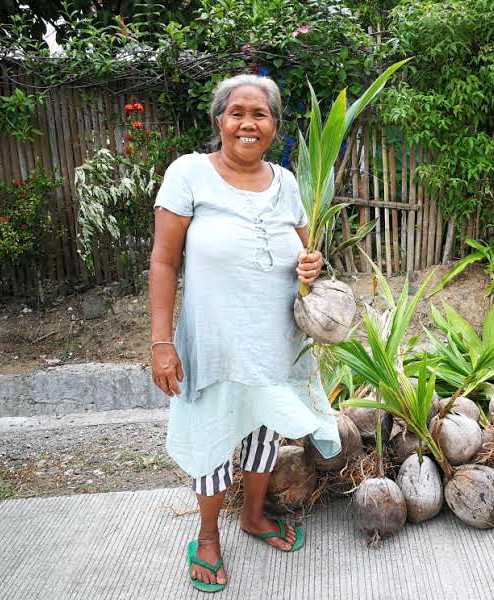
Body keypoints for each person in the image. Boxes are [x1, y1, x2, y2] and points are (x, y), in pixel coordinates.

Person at [148, 74, 341, 593]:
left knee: (263, 432)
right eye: (237, 112)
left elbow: (306, 254)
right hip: (213, 346)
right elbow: (164, 262)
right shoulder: (189, 173)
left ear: (274, 125)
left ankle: (253, 516)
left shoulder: (286, 182)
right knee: (211, 436)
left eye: (260, 114)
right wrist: (162, 343)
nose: (248, 123)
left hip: (273, 342)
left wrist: (311, 264)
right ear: (220, 121)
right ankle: (208, 536)